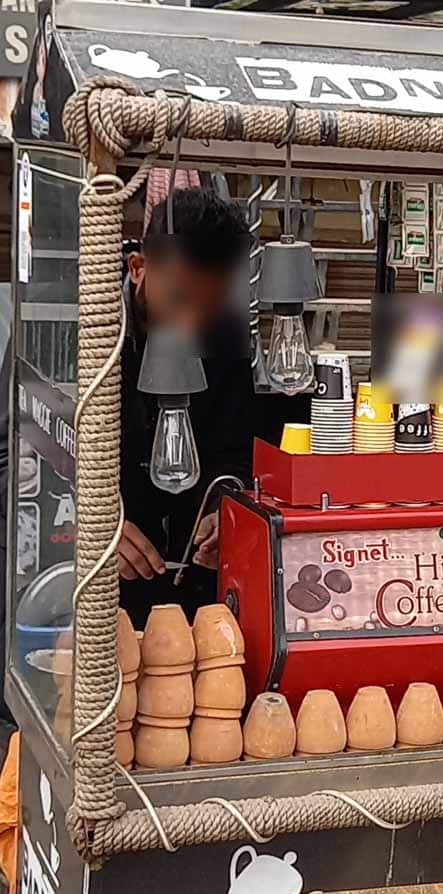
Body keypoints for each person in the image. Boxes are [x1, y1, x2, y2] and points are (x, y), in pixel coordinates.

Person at [119, 187, 260, 628]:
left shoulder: (227, 332)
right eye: (180, 299)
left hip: (188, 579)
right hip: (90, 576)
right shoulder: (82, 323)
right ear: (139, 268)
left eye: (212, 303)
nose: (193, 322)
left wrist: (226, 510)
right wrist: (89, 520)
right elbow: (21, 455)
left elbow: (236, 445)